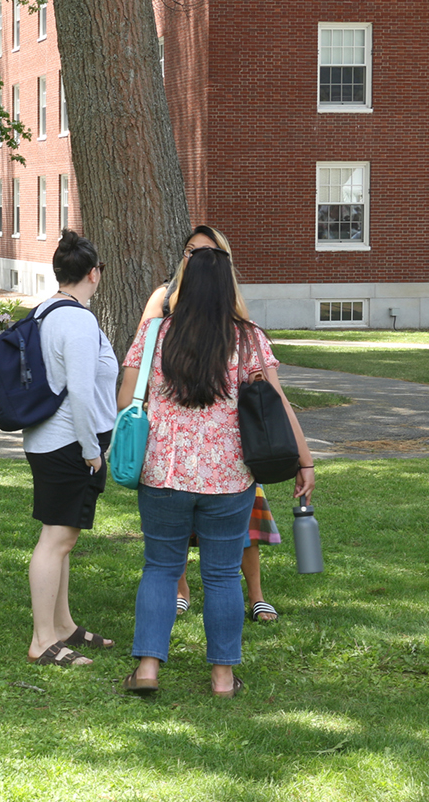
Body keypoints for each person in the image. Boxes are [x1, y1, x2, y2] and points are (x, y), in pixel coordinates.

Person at [118, 245, 314, 697]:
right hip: (228, 476)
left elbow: (126, 398)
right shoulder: (248, 339)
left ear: (183, 284)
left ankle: (147, 669)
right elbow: (276, 403)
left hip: (163, 472)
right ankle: (223, 678)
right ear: (229, 287)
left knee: (160, 568)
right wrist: (304, 460)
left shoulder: (154, 332)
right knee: (223, 574)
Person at [141, 226, 281, 623]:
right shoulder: (162, 302)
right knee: (179, 549)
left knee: (238, 534)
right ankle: (181, 592)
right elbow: (142, 361)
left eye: (208, 251)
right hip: (175, 452)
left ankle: (256, 594)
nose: (198, 257)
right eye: (191, 250)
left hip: (227, 451)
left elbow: (256, 373)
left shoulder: (235, 312)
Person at [22, 231, 120, 666]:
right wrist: (91, 450)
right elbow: (80, 392)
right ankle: (43, 640)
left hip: (49, 439)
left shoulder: (45, 311)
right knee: (56, 540)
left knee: (61, 537)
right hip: (69, 444)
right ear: (93, 273)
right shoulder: (77, 321)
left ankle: (62, 625)